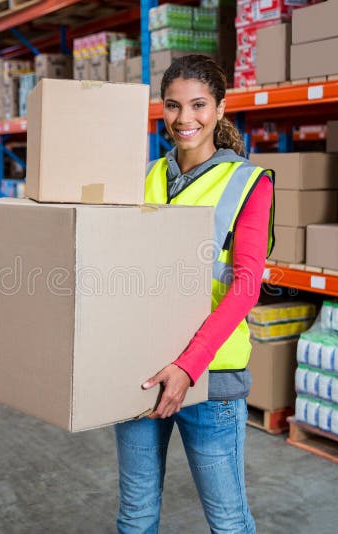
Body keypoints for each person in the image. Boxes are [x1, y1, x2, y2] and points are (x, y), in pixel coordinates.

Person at [114, 55, 275, 534]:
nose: (185, 118)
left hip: (211, 377)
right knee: (135, 515)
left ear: (220, 108)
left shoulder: (247, 182)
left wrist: (187, 366)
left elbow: (246, 286)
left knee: (228, 522)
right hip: (140, 371)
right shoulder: (142, 176)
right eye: (173, 105)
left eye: (199, 104)